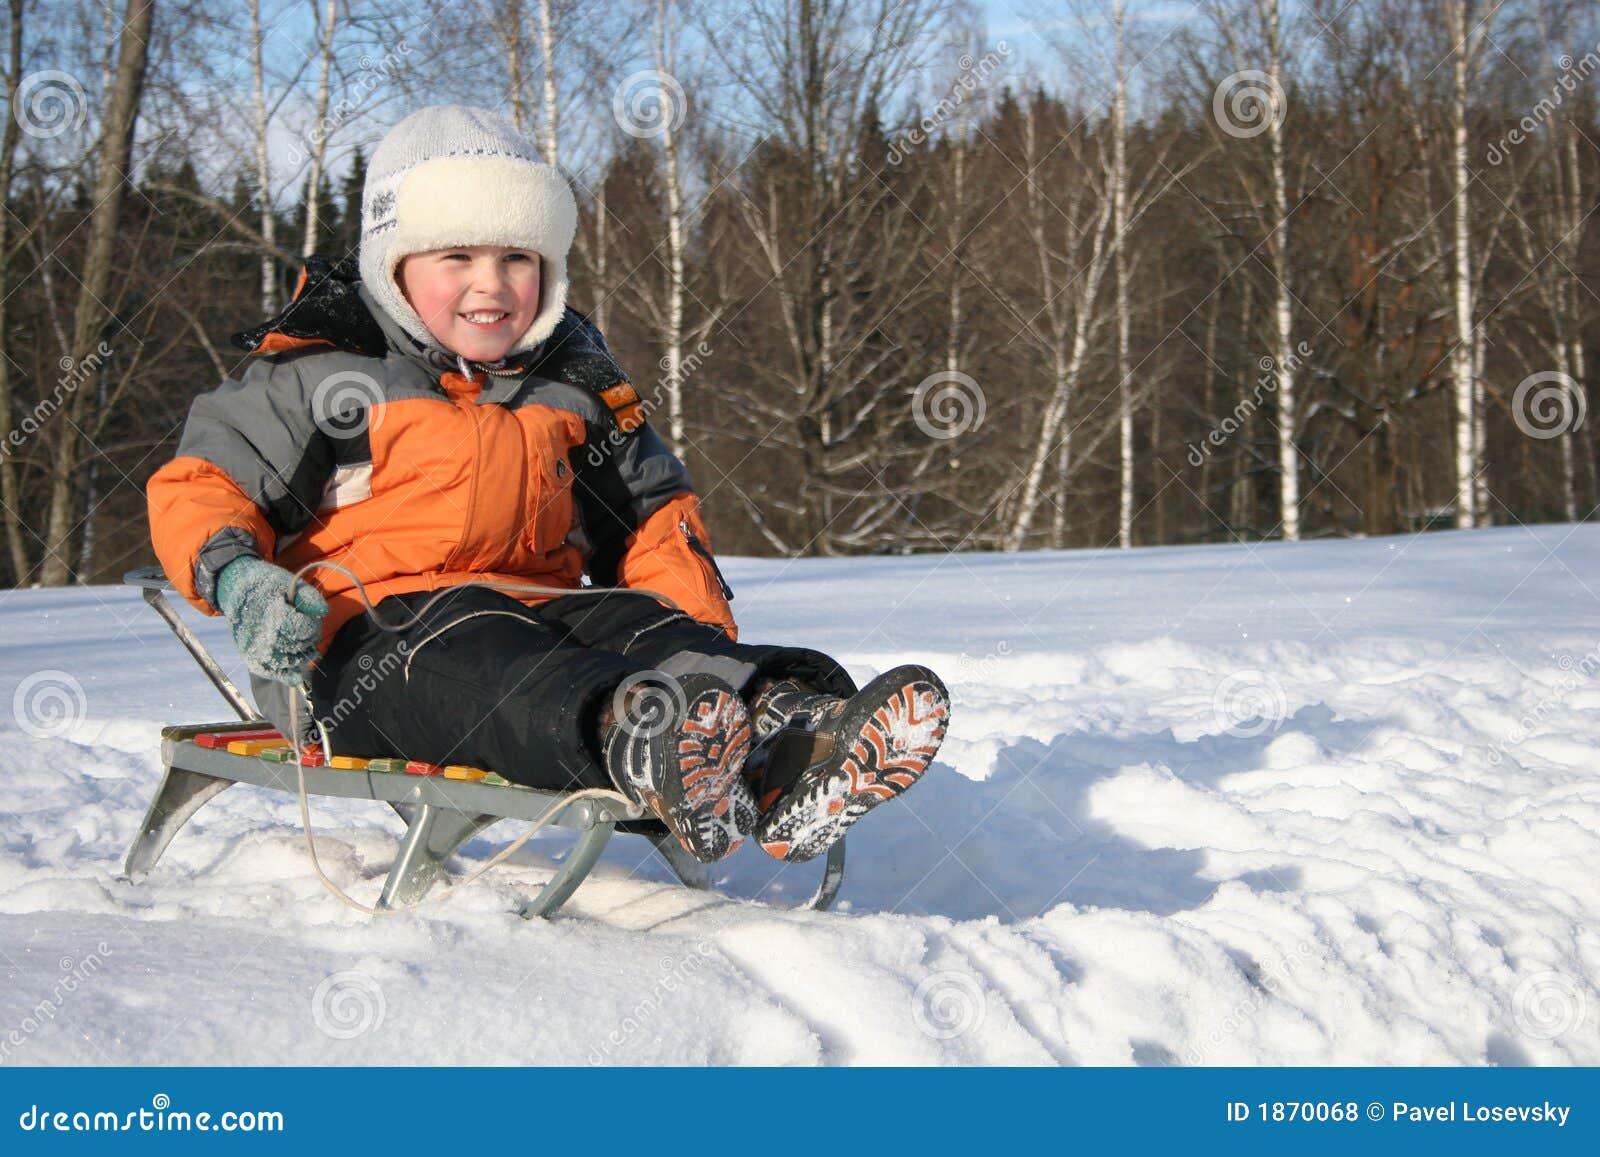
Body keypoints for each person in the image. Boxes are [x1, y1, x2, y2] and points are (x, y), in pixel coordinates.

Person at [146, 105, 949, 867]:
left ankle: (790, 730)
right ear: (392, 265)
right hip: (360, 645)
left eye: (517, 259)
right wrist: (238, 577)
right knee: (484, 654)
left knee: (634, 621)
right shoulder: (322, 371)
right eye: (457, 256)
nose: (490, 285)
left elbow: (650, 521)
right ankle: (636, 733)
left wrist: (703, 646)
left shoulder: (572, 384)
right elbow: (208, 479)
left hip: (538, 607)